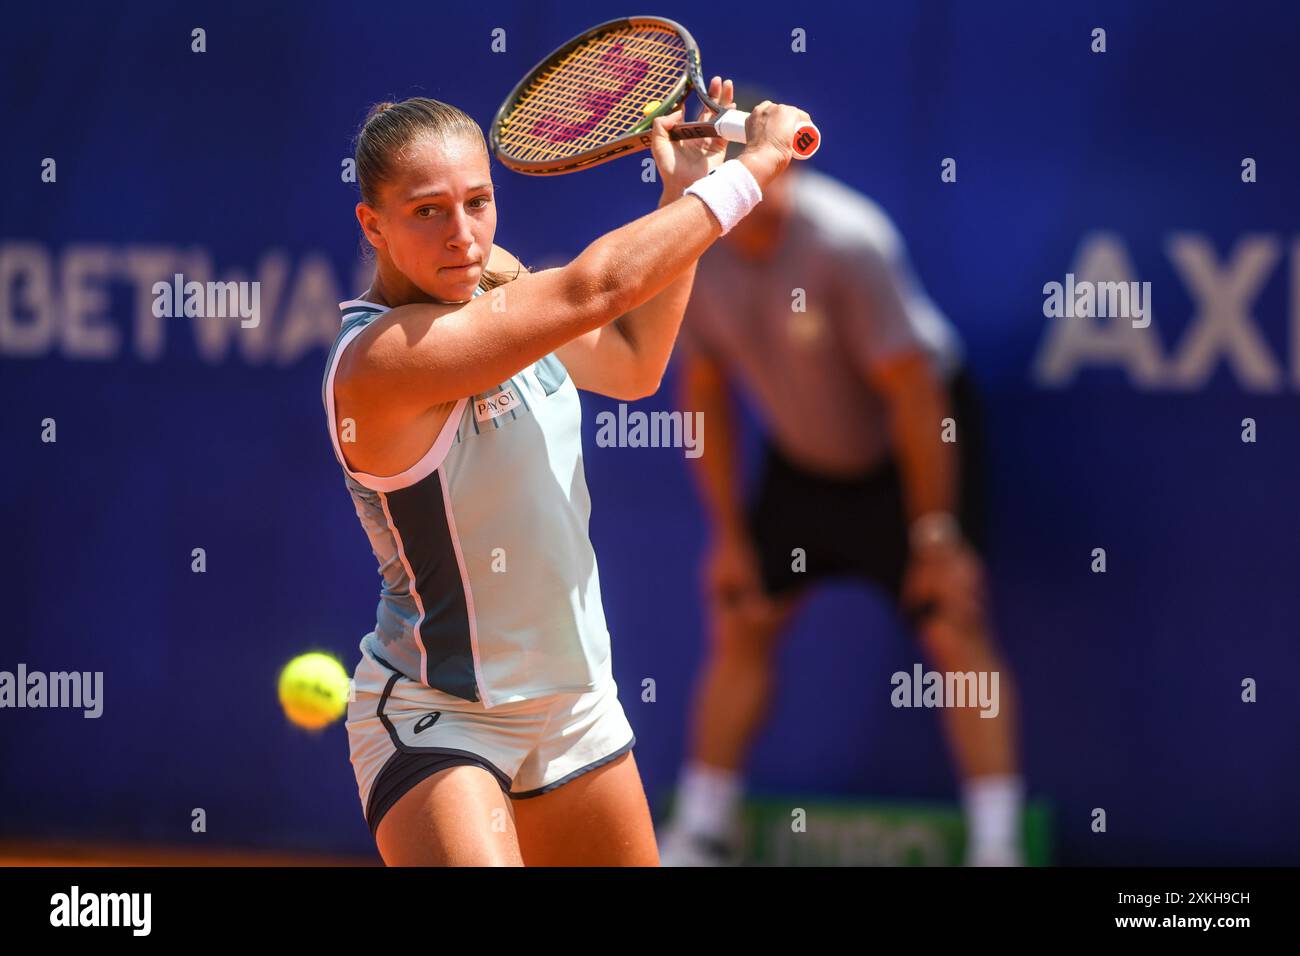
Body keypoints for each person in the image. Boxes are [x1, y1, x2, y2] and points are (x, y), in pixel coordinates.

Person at [324, 83, 811, 865]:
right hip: (439, 716)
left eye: (477, 202)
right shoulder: (381, 364)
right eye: (428, 212)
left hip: (577, 709)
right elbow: (597, 288)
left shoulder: (494, 276)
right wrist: (751, 169)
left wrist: (682, 192)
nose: (463, 236)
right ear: (371, 225)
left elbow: (633, 362)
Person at [657, 131, 1026, 867]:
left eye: (769, 169)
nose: (757, 189)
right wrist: (729, 536)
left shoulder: (848, 242)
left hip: (913, 452)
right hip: (803, 459)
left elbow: (917, 394)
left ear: (786, 167)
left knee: (952, 625)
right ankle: (703, 831)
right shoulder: (694, 255)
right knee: (745, 617)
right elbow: (702, 393)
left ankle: (997, 843)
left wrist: (933, 535)